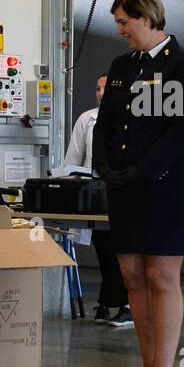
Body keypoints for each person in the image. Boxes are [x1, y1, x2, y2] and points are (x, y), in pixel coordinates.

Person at [92, 0, 184, 367]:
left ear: (147, 17)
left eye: (124, 21)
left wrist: (142, 172)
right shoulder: (122, 65)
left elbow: (183, 129)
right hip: (123, 186)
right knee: (133, 277)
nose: (120, 30)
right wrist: (105, 168)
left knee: (160, 276)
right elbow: (105, 124)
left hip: (164, 185)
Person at [65, 74, 132, 328]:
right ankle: (108, 301)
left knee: (122, 250)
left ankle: (125, 305)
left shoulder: (130, 118)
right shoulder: (87, 119)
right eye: (97, 88)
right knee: (104, 249)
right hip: (95, 192)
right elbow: (74, 160)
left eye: (106, 88)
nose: (101, 93)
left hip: (122, 191)